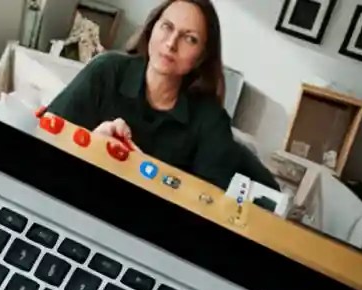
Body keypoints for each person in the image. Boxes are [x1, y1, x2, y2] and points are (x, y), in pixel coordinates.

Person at [46, 0, 240, 190]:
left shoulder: (211, 120)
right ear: (152, 28)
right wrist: (89, 144)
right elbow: (45, 139)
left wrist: (146, 171)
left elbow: (213, 206)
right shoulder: (106, 70)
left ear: (202, 55)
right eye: (166, 26)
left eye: (190, 38)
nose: (171, 43)